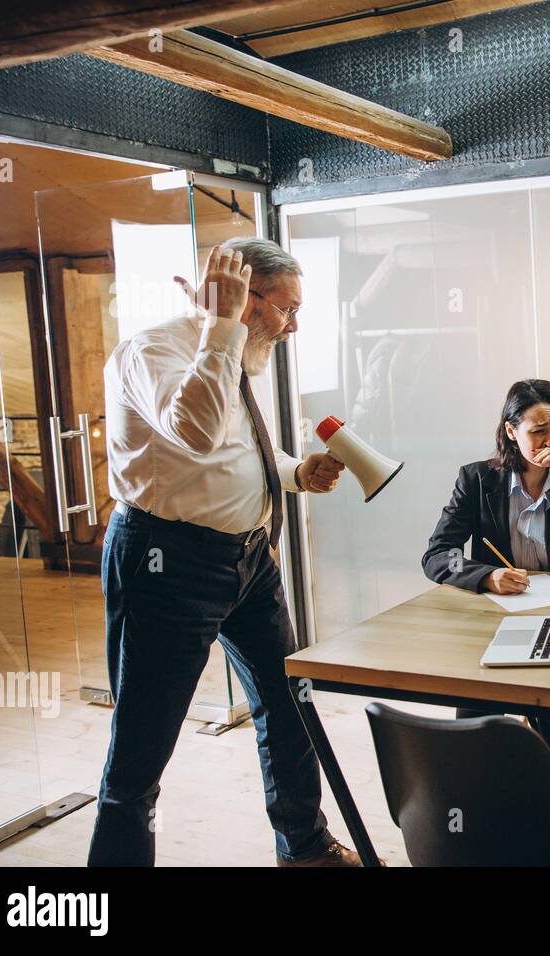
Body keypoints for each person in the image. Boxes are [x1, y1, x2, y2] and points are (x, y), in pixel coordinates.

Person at [90, 238, 358, 866]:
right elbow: (197, 434)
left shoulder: (233, 353)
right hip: (166, 565)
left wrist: (295, 472)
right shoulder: (155, 351)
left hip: (248, 562)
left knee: (289, 704)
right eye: (288, 309)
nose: (294, 326)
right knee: (142, 746)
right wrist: (219, 327)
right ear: (245, 297)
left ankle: (305, 848)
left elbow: (233, 454)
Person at [422, 379, 550, 793]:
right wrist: (485, 576)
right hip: (495, 620)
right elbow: (437, 555)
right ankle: (488, 804)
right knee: (474, 719)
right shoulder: (477, 480)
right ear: (510, 431)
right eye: (538, 430)